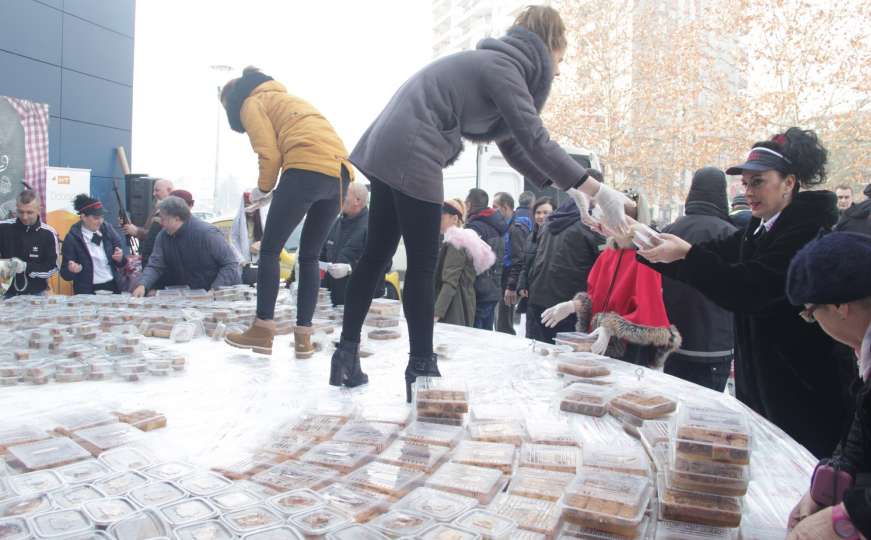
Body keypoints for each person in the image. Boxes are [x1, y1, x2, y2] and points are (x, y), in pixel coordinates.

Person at [330, 5, 628, 401]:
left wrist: (573, 189)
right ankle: (421, 366)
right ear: (549, 46)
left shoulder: (495, 65)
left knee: (375, 256)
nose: (558, 71)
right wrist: (599, 190)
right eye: (561, 59)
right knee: (422, 264)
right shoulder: (504, 69)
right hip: (415, 144)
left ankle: (346, 356)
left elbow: (517, 149)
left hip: (389, 142)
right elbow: (536, 140)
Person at [637, 127, 856, 458]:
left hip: (803, 388)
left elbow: (750, 287)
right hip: (761, 382)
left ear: (789, 183)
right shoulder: (760, 225)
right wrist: (641, 242)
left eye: (758, 182)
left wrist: (686, 255)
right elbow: (712, 252)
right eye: (745, 183)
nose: (748, 191)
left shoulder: (808, 231)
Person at [218, 67, 354, 359]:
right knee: (309, 257)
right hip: (339, 176)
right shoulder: (288, 99)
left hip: (305, 168)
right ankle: (303, 338)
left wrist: (262, 189)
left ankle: (262, 330)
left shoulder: (250, 102)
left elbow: (269, 153)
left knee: (269, 251)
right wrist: (271, 191)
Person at [784, 232, 871, 540]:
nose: (816, 323)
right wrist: (825, 486)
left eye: (811, 314)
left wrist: (848, 517)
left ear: (840, 307)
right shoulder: (862, 348)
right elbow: (860, 430)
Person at [543, 190, 681, 366]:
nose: (601, 223)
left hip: (630, 350)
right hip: (598, 343)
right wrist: (574, 305)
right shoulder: (609, 253)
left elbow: (649, 312)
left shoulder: (646, 258)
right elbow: (596, 296)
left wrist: (611, 328)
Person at [659, 168, 737, 391]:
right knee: (704, 417)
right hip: (714, 342)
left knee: (675, 405)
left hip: (674, 341)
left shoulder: (670, 231)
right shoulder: (729, 234)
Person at [526, 197, 604, 344]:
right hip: (566, 303)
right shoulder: (589, 225)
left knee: (539, 351)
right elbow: (604, 265)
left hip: (538, 297)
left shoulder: (551, 221)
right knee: (562, 356)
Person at [133, 196, 240, 297]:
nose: (161, 223)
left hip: (215, 297)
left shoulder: (207, 234)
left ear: (176, 219)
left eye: (164, 219)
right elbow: (155, 265)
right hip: (186, 298)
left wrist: (215, 290)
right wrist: (143, 285)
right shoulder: (163, 236)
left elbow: (230, 264)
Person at [434, 199, 496, 327]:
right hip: (463, 301)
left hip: (454, 307)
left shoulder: (455, 243)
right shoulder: (465, 241)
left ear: (455, 218)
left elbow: (450, 281)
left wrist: (436, 313)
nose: (437, 222)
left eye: (441, 218)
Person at [60, 194, 127, 294]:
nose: (100, 221)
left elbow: (122, 262)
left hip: (113, 286)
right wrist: (72, 269)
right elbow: (65, 274)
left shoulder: (108, 230)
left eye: (102, 217)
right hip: (87, 291)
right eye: (96, 218)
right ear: (83, 217)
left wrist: (120, 258)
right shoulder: (72, 238)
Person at [0, 190, 58, 298]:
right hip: (5, 295)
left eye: (29, 212)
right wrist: (5, 265)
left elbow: (51, 268)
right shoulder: (3, 228)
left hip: (36, 295)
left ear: (39, 210)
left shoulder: (48, 233)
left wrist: (26, 267)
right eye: (21, 212)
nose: (25, 217)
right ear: (16, 208)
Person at [321, 182, 370, 306]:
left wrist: (350, 269)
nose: (340, 197)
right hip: (333, 304)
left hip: (360, 303)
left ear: (357, 201)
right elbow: (321, 254)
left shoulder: (372, 226)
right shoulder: (336, 223)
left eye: (345, 194)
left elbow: (384, 264)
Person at [464, 188, 507, 330]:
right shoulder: (496, 224)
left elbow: (469, 262)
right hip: (494, 287)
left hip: (479, 290)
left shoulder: (474, 227)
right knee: (487, 334)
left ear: (469, 205)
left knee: (475, 335)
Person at [496, 191, 533, 335]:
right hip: (504, 276)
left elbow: (518, 259)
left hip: (509, 279)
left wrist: (511, 286)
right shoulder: (507, 225)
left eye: (495, 206)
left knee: (504, 324)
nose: (493, 210)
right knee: (502, 321)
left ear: (505, 207)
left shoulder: (516, 228)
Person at [517, 196, 554, 329]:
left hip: (548, 296)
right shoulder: (531, 237)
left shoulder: (556, 237)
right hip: (531, 294)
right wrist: (521, 285)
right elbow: (525, 265)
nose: (541, 216)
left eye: (546, 213)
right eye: (538, 213)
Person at [124, 178, 173, 268]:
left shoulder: (172, 211)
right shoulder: (157, 207)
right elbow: (149, 230)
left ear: (169, 190)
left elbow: (156, 235)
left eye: (157, 190)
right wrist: (133, 227)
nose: (154, 194)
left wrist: (136, 231)